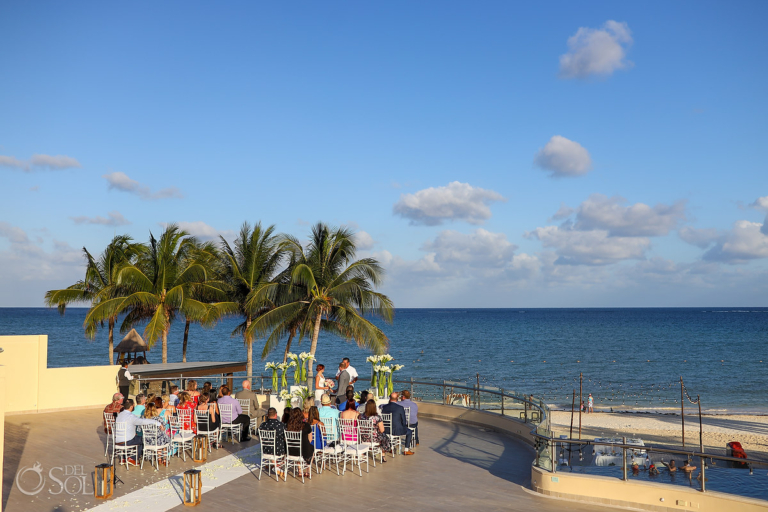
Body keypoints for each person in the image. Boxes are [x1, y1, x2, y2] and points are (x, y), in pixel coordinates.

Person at [286, 407, 313, 474]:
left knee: (298, 447)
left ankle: (300, 470)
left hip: (290, 451)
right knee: (311, 447)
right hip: (302, 451)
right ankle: (308, 470)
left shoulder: (288, 426)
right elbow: (310, 438)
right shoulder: (306, 425)